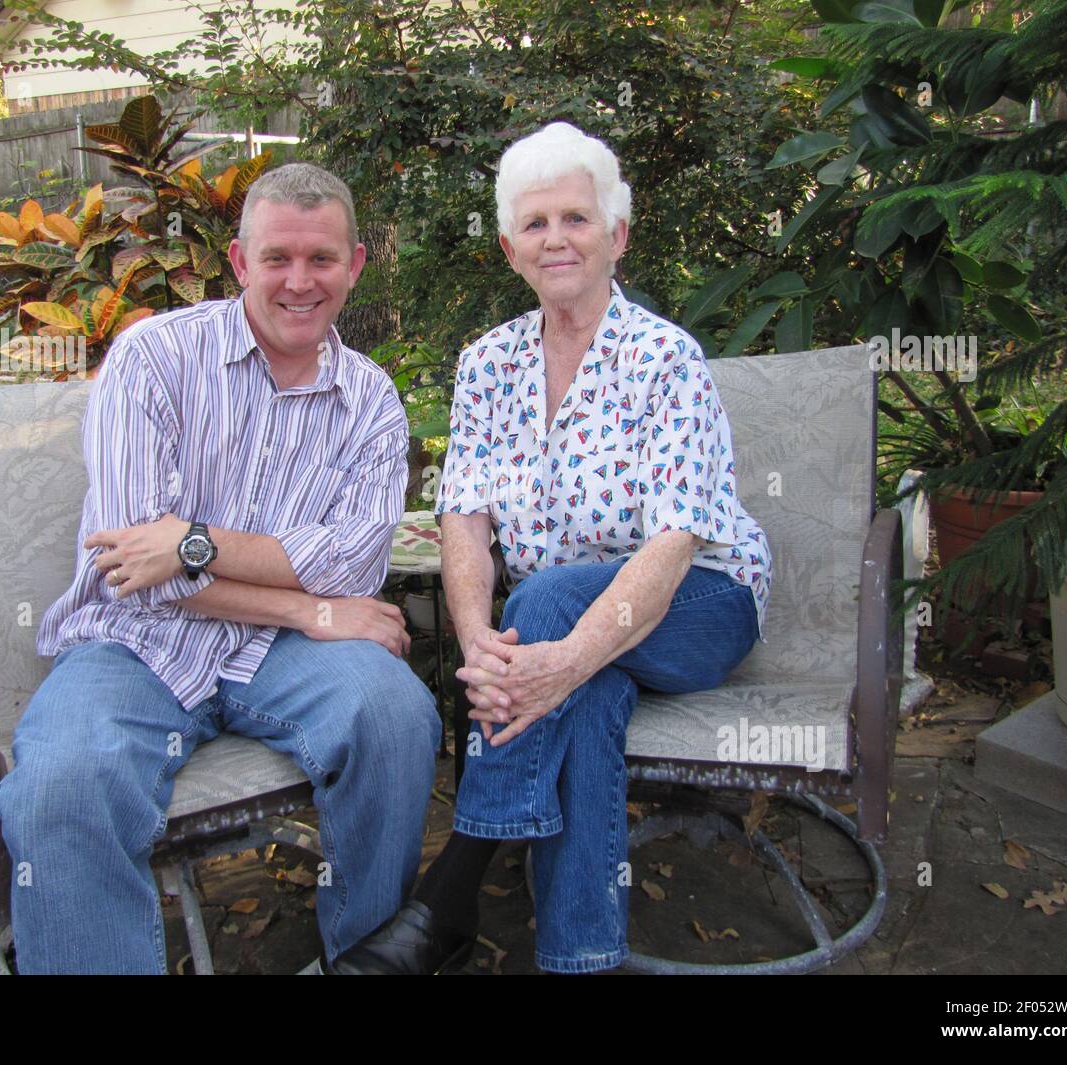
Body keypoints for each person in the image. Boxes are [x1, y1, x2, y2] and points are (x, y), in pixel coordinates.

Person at [329, 123, 772, 975]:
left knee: (549, 605)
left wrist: (556, 654)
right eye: (535, 224)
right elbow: (464, 522)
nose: (556, 237)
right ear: (508, 248)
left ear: (618, 235)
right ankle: (582, 955)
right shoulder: (488, 363)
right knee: (586, 688)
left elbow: (675, 543)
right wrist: (480, 646)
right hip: (569, 629)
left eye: (576, 216)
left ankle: (452, 890)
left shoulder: (663, 359)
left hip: (702, 601)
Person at [0, 162, 441, 974]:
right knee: (63, 782)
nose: (298, 282)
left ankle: (368, 961)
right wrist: (307, 607)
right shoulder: (154, 358)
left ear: (356, 265)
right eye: (276, 258)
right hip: (136, 641)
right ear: (239, 262)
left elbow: (355, 561)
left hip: (280, 659)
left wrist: (192, 540)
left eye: (321, 259)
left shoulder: (371, 402)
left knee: (396, 715)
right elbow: (137, 565)